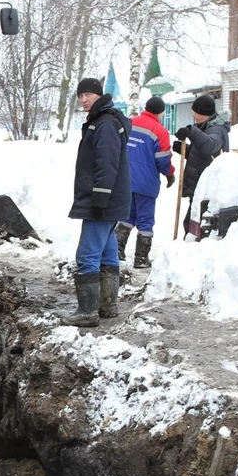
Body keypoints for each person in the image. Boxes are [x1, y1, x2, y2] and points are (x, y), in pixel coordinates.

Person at [61, 77, 132, 327]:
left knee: (88, 253)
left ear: (99, 95)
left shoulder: (105, 124)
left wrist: (100, 196)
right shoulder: (103, 121)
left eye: (88, 94)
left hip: (103, 200)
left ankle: (87, 312)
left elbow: (106, 162)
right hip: (111, 199)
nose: (84, 99)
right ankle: (107, 305)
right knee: (107, 252)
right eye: (81, 95)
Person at [118, 96, 174, 268]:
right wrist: (170, 174)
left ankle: (116, 250)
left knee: (127, 215)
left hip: (125, 179)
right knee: (145, 220)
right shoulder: (159, 131)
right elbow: (163, 160)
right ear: (160, 112)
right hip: (146, 183)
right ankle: (141, 258)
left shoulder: (129, 123)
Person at [172, 94, 230, 238]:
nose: (193, 114)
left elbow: (210, 147)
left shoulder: (217, 130)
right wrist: (184, 149)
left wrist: (192, 132)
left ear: (201, 112)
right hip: (199, 187)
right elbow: (202, 154)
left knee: (194, 227)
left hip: (206, 190)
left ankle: (190, 253)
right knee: (191, 224)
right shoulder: (207, 127)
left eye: (195, 111)